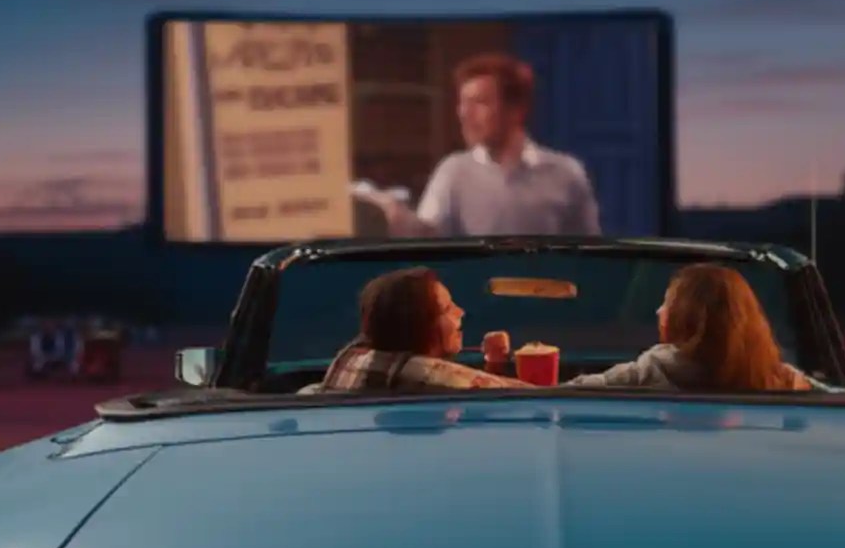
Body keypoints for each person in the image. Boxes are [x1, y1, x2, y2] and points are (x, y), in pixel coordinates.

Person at [381, 52, 602, 237]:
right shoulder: (453, 172)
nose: (464, 114)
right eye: (463, 103)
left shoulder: (566, 174)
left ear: (516, 110)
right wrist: (394, 216)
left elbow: (591, 255)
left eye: (479, 102)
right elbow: (428, 239)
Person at [563, 263, 815, 392]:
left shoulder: (653, 369)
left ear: (686, 317)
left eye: (667, 302)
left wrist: (533, 390)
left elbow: (578, 391)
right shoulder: (782, 379)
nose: (658, 311)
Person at [305, 267, 532, 392]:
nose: (460, 311)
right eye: (446, 308)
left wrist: (494, 364)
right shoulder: (431, 376)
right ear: (418, 324)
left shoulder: (351, 358)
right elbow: (533, 398)